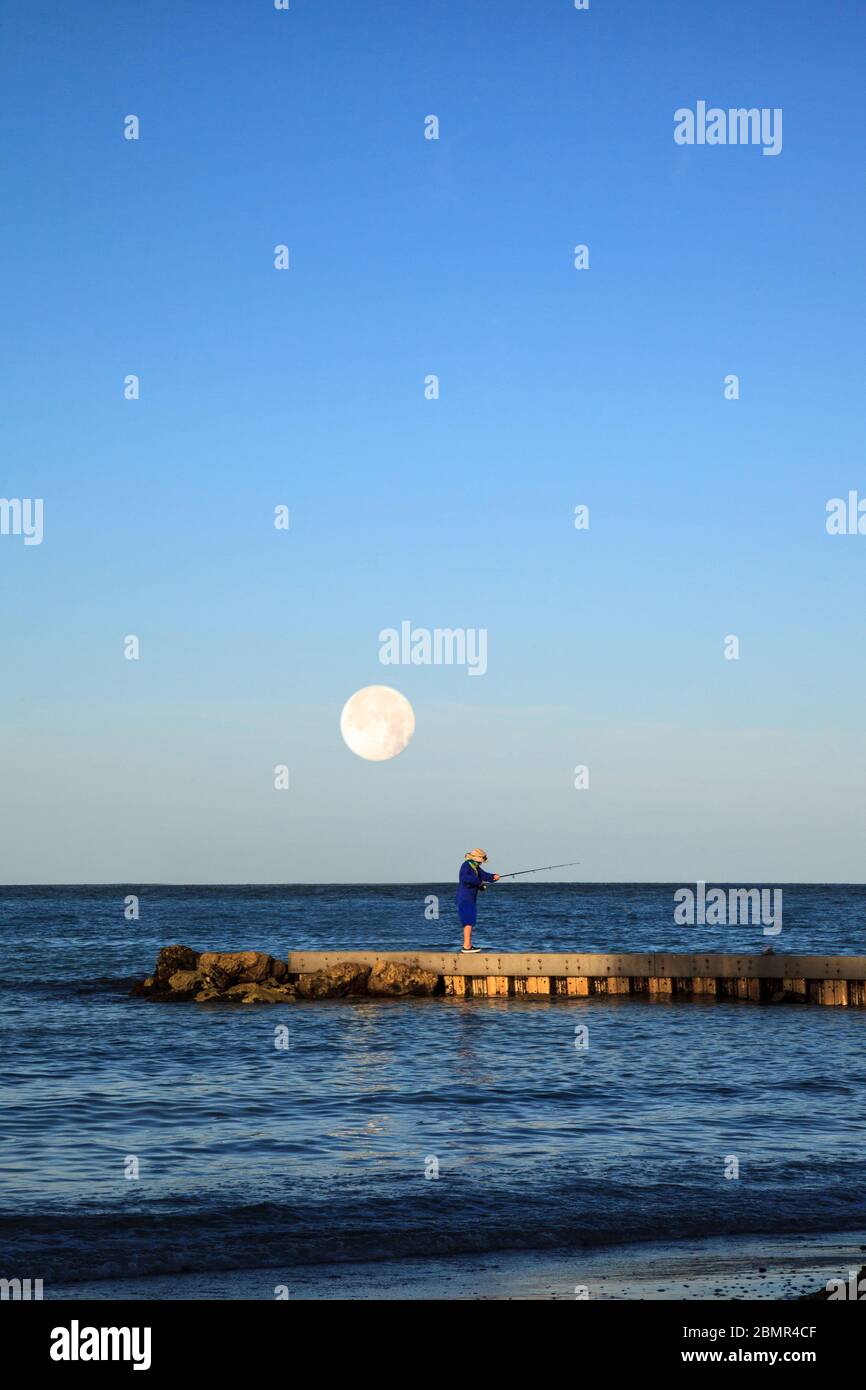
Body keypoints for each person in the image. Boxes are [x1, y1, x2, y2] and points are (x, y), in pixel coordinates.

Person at [455, 848, 499, 953]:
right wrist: (479, 883)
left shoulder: (475, 867)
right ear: (477, 858)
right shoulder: (466, 865)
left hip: (469, 898)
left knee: (469, 921)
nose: (483, 861)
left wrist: (493, 877)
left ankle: (467, 945)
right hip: (465, 898)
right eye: (482, 858)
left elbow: (484, 875)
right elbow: (465, 878)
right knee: (468, 921)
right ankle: (466, 946)